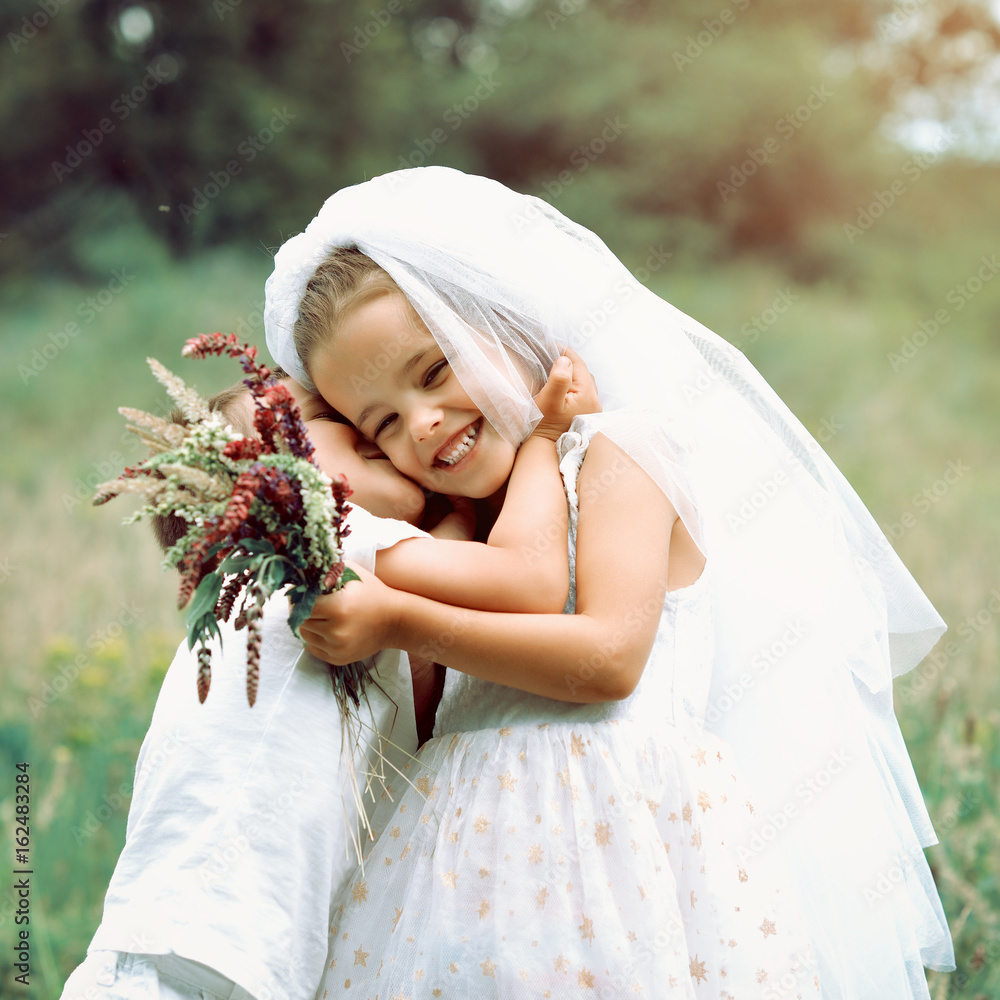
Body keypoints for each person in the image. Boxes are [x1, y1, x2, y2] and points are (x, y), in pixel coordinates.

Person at [263, 165, 956, 999]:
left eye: (436, 371)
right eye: (379, 424)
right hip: (457, 885)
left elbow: (607, 660)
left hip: (626, 867)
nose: (423, 422)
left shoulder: (618, 454)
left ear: (503, 325)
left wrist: (397, 620)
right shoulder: (464, 531)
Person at [60, 356, 597, 1000]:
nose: (370, 433)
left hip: (221, 955)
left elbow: (451, 583)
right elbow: (523, 581)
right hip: (190, 957)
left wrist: (448, 509)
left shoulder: (339, 587)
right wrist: (541, 440)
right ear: (265, 485)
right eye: (323, 418)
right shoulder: (311, 548)